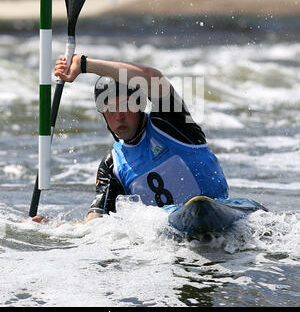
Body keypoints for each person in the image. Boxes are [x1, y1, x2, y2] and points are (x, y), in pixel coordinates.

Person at [33, 54, 228, 224]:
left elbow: (153, 78)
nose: (119, 116)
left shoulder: (172, 123)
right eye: (110, 109)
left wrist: (84, 65)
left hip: (217, 211)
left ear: (141, 105)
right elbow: (96, 224)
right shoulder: (112, 166)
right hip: (171, 236)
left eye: (126, 105)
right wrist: (50, 228)